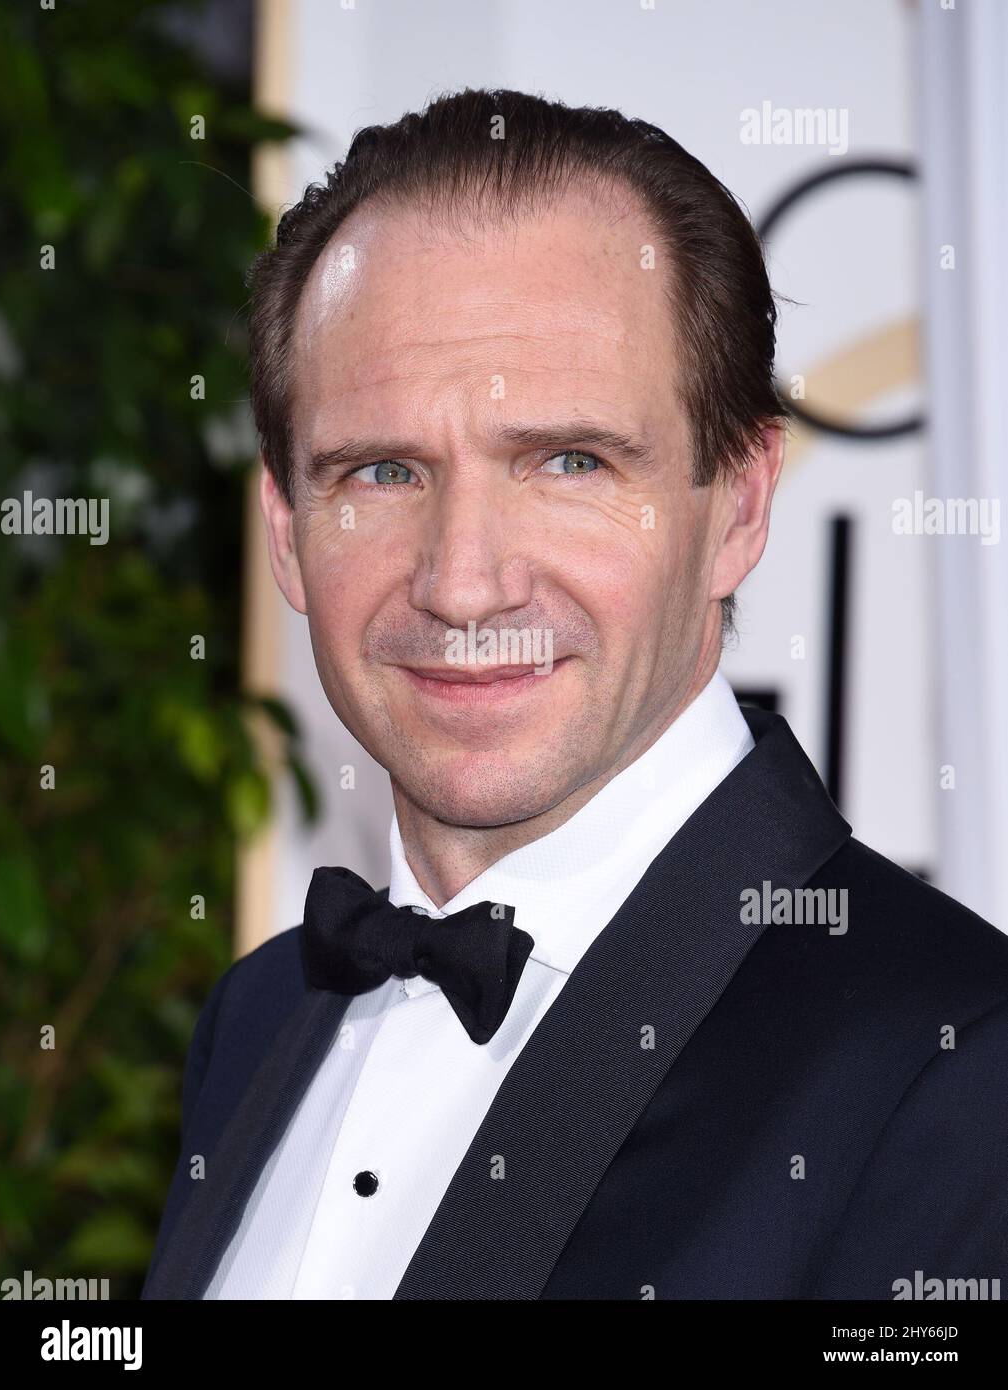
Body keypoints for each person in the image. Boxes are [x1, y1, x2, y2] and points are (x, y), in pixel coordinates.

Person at [142, 88, 1008, 1301]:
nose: (462, 581)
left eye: (568, 462)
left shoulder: (956, 1065)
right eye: (382, 471)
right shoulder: (258, 1021)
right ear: (286, 529)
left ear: (739, 505)